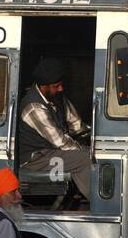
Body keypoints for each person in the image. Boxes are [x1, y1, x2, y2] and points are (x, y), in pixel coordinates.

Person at [18, 58, 91, 199]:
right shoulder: (34, 107)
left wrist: (90, 139)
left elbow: (76, 124)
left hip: (52, 151)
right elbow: (61, 142)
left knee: (93, 153)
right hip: (36, 159)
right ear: (43, 86)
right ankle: (97, 202)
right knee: (86, 159)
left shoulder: (57, 96)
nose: (61, 89)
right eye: (56, 86)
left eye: (61, 85)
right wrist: (86, 151)